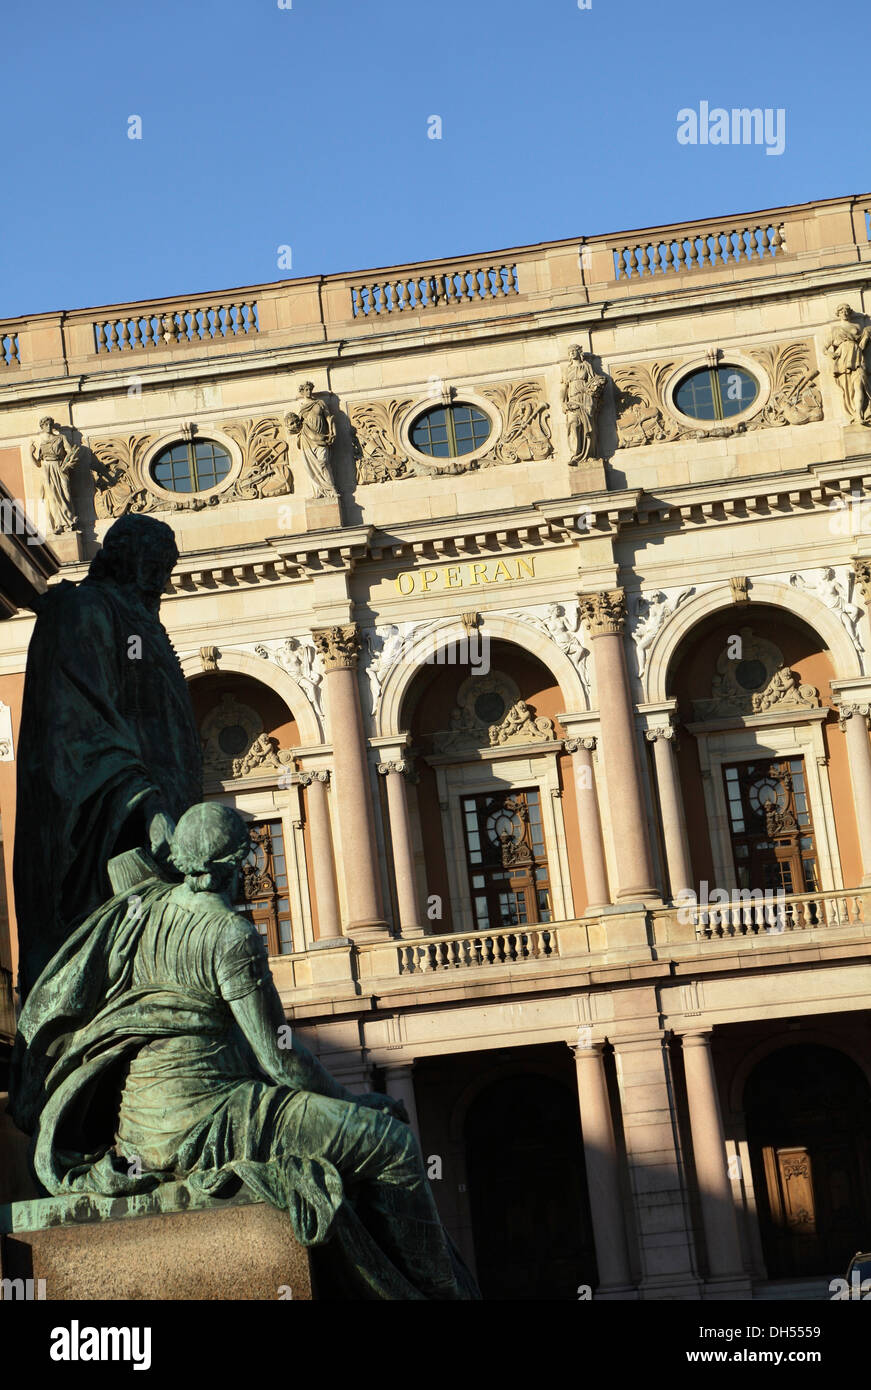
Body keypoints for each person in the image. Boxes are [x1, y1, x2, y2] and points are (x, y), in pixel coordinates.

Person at [9, 803, 478, 1301]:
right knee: (391, 1144)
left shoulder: (142, 910)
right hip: (214, 1121)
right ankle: (439, 1292)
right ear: (231, 867)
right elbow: (280, 1057)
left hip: (141, 1130)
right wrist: (354, 1101)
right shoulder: (230, 937)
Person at [13, 513, 202, 1001]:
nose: (162, 581)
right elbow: (81, 725)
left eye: (168, 569)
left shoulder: (134, 619)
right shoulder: (86, 611)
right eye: (157, 568)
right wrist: (147, 805)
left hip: (160, 818)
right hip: (117, 830)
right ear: (135, 564)